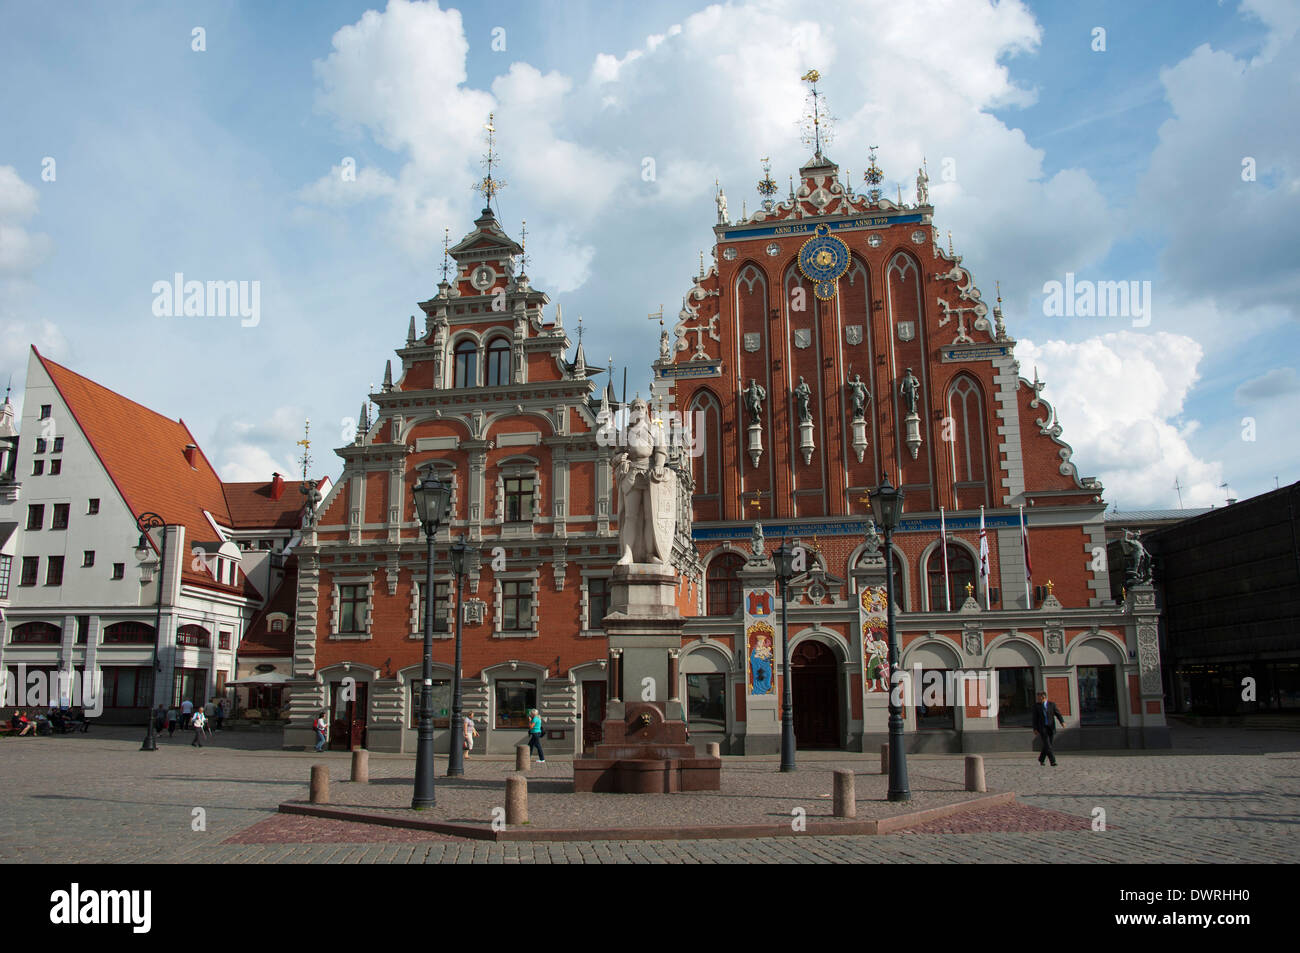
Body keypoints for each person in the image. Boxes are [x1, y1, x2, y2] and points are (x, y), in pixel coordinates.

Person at [1032, 690, 1065, 766]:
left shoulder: (1052, 705)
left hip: (1051, 727)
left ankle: (1041, 759)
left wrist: (1062, 722)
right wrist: (1035, 728)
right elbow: (1034, 718)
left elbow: (1058, 714)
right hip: (1042, 728)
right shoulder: (1036, 706)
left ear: (1043, 697)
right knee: (1048, 745)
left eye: (1039, 697)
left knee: (1048, 745)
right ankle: (1052, 761)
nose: (1038, 699)